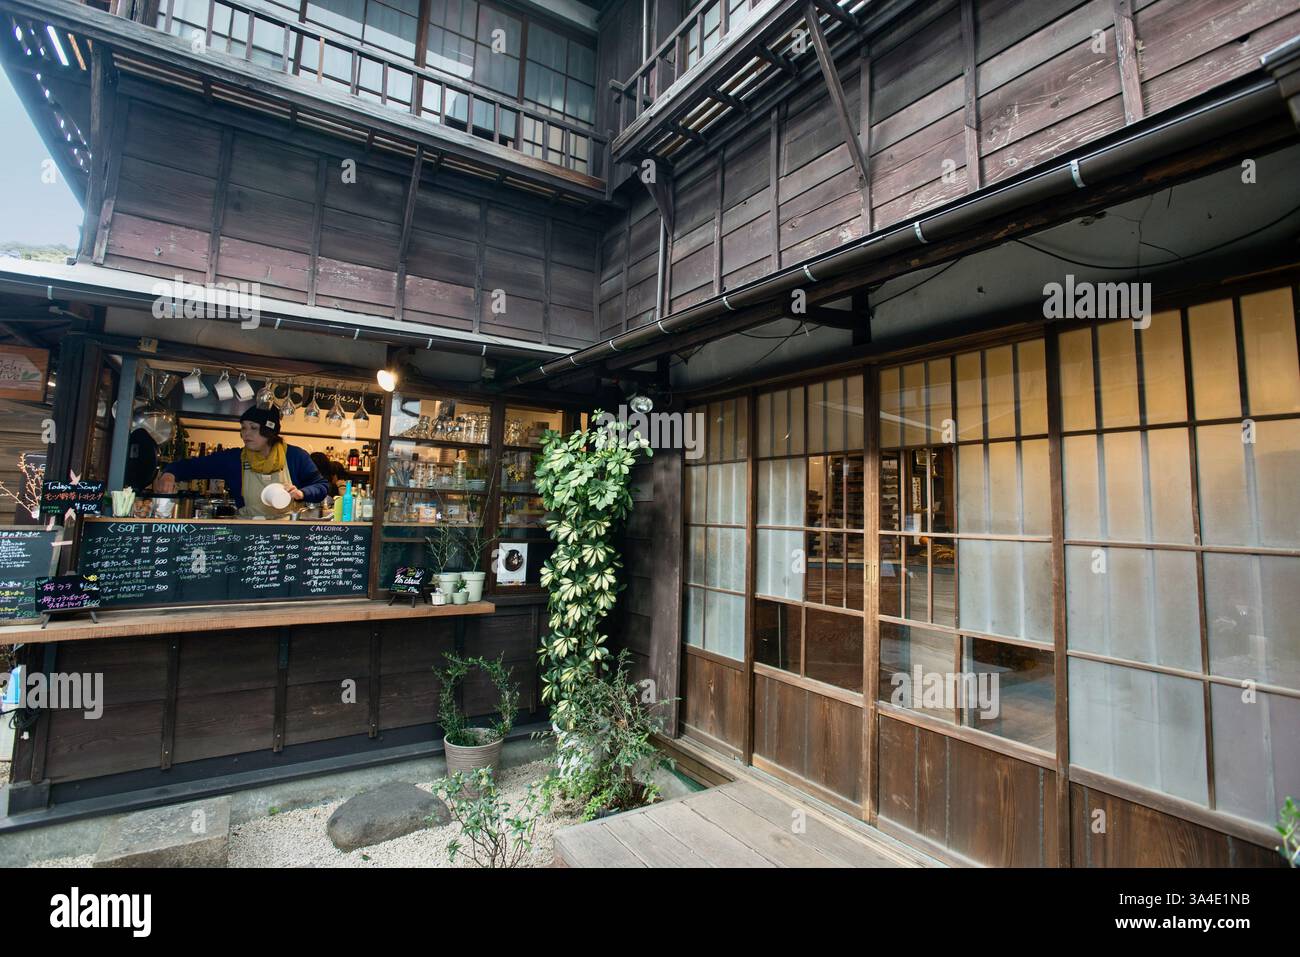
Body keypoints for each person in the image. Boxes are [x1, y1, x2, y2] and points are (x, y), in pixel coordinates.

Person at [153, 406, 328, 518]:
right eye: (243, 428)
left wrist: (302, 493)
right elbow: (192, 466)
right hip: (247, 530)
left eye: (253, 428)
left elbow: (322, 486)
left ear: (269, 431)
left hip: (285, 532)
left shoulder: (295, 456)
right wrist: (170, 472)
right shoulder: (234, 459)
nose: (246, 434)